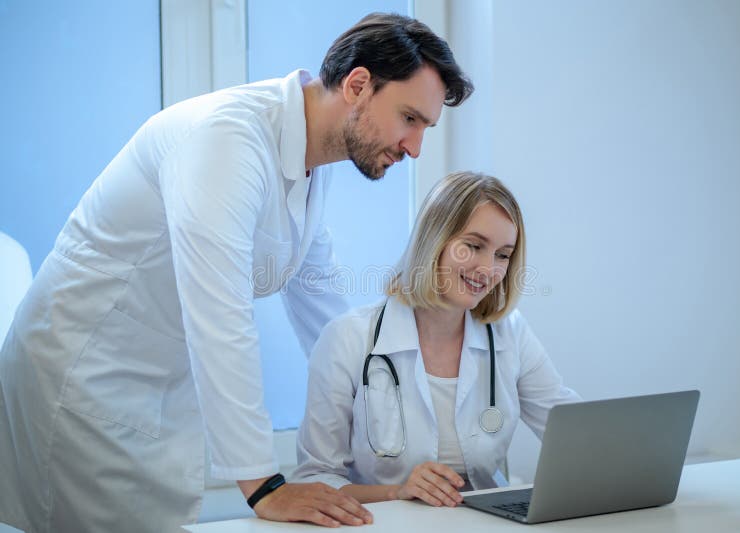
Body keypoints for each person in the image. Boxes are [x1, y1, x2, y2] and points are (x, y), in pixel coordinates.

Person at [0, 13, 473, 533]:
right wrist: (265, 485)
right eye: (410, 119)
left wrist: (389, 415)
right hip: (85, 381)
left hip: (154, 387)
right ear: (358, 85)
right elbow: (219, 313)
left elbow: (321, 299)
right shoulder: (228, 140)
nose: (415, 148)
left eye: (425, 128)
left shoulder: (309, 162)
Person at [294, 172, 581, 507]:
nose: (488, 269)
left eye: (503, 255)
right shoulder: (348, 338)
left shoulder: (509, 333)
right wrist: (397, 492)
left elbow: (574, 434)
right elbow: (314, 479)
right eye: (473, 246)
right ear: (434, 240)